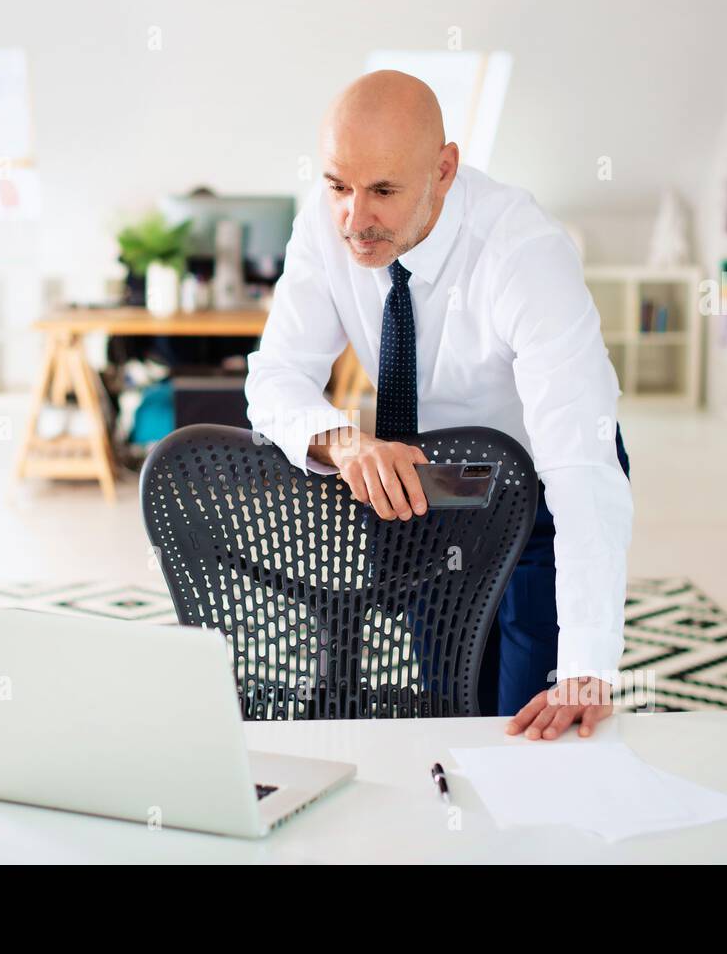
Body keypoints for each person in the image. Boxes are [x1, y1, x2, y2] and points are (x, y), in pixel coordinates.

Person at [245, 70, 633, 740]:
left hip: (541, 485)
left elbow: (581, 467)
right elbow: (274, 376)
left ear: (444, 170)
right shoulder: (326, 223)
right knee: (452, 702)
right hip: (436, 488)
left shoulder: (524, 253)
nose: (355, 219)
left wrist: (586, 666)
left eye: (383, 191)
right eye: (338, 186)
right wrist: (344, 441)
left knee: (530, 723)